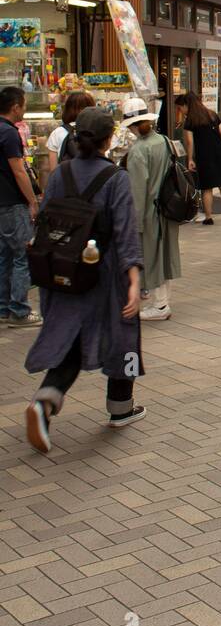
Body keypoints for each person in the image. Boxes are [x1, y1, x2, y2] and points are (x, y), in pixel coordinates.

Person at [24, 106, 145, 454]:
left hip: (62, 270)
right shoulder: (116, 178)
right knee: (124, 334)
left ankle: (45, 402)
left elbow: (46, 219)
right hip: (103, 271)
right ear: (108, 141)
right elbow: (125, 234)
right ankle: (121, 407)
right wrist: (134, 279)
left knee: (70, 342)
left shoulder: (60, 174)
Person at [122, 97, 181, 322]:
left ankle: (160, 304)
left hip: (149, 212)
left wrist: (134, 222)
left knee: (152, 257)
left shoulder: (138, 151)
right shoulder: (164, 141)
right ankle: (163, 300)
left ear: (134, 125)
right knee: (165, 254)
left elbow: (138, 190)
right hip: (169, 207)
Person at [0, 85, 41, 328]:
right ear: (15, 107)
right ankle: (19, 310)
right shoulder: (9, 133)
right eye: (24, 105)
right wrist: (32, 201)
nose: (24, 110)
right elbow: (18, 170)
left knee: (4, 256)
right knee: (21, 256)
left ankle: (4, 307)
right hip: (13, 204)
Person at [175, 92, 221, 226]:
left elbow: (190, 143)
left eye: (182, 107)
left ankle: (208, 217)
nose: (182, 110)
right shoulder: (212, 114)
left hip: (204, 155)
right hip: (218, 153)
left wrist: (190, 159)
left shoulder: (190, 121)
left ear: (187, 105)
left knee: (207, 188)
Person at [45, 90, 96, 172]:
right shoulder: (98, 130)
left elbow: (53, 171)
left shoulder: (57, 133)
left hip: (66, 182)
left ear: (67, 109)